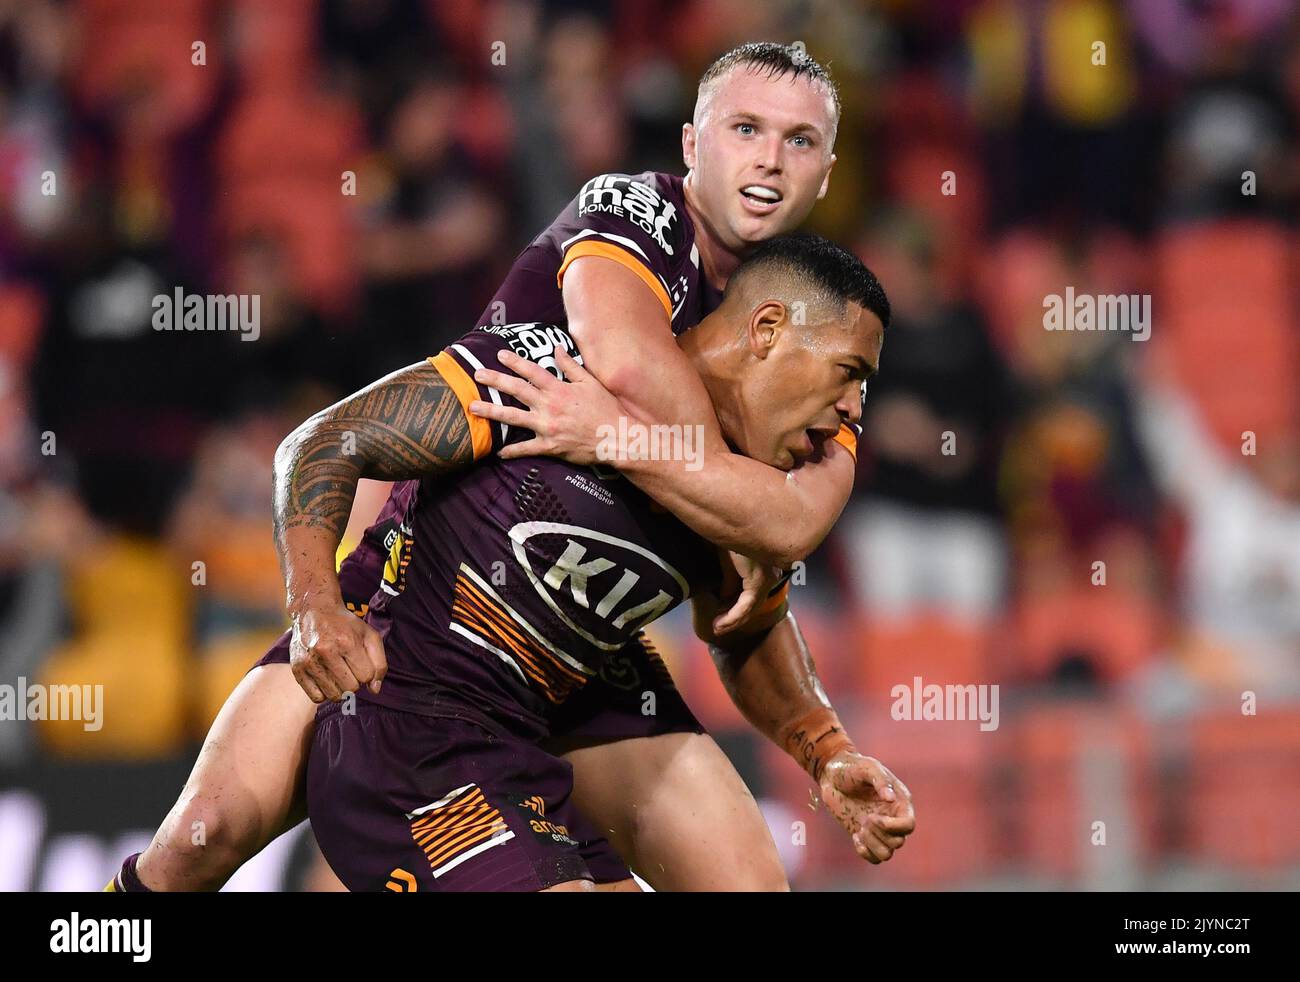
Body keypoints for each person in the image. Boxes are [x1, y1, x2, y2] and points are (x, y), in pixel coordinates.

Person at [111, 42, 903, 893]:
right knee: (198, 839)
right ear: (689, 144)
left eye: (800, 142)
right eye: (747, 128)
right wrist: (312, 607)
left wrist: (824, 747)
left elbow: (783, 537)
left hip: (581, 677)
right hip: (413, 647)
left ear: (827, 172)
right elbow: (625, 371)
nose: (770, 161)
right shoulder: (566, 340)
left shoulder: (822, 341)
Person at [297, 232, 907, 891]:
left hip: (535, 741)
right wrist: (312, 606)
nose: (852, 410)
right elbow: (331, 441)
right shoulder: (548, 370)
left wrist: (829, 753)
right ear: (767, 329)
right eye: (850, 372)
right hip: (412, 728)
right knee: (210, 829)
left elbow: (747, 626)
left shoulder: (742, 486)